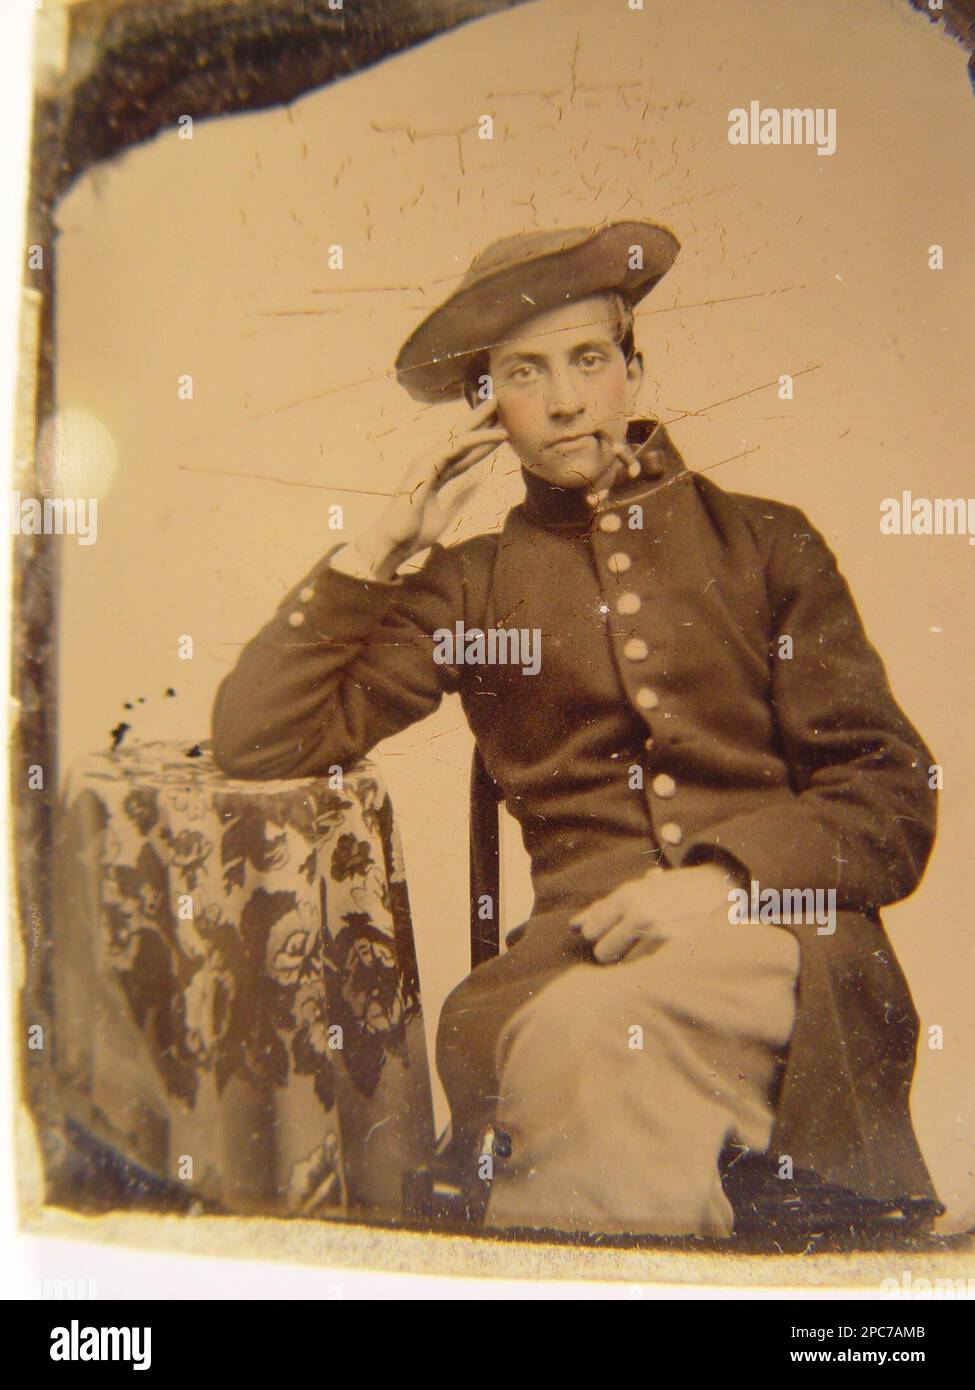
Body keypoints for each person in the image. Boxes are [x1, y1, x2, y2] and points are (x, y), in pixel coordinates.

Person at [211, 223, 940, 1236]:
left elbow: (893, 798)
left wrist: (721, 887)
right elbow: (260, 740)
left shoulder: (770, 544)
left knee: (597, 1035)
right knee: (571, 1023)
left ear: (634, 370)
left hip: (785, 945)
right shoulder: (469, 583)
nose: (562, 400)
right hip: (568, 958)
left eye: (589, 360)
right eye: (524, 372)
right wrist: (380, 545)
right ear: (486, 408)